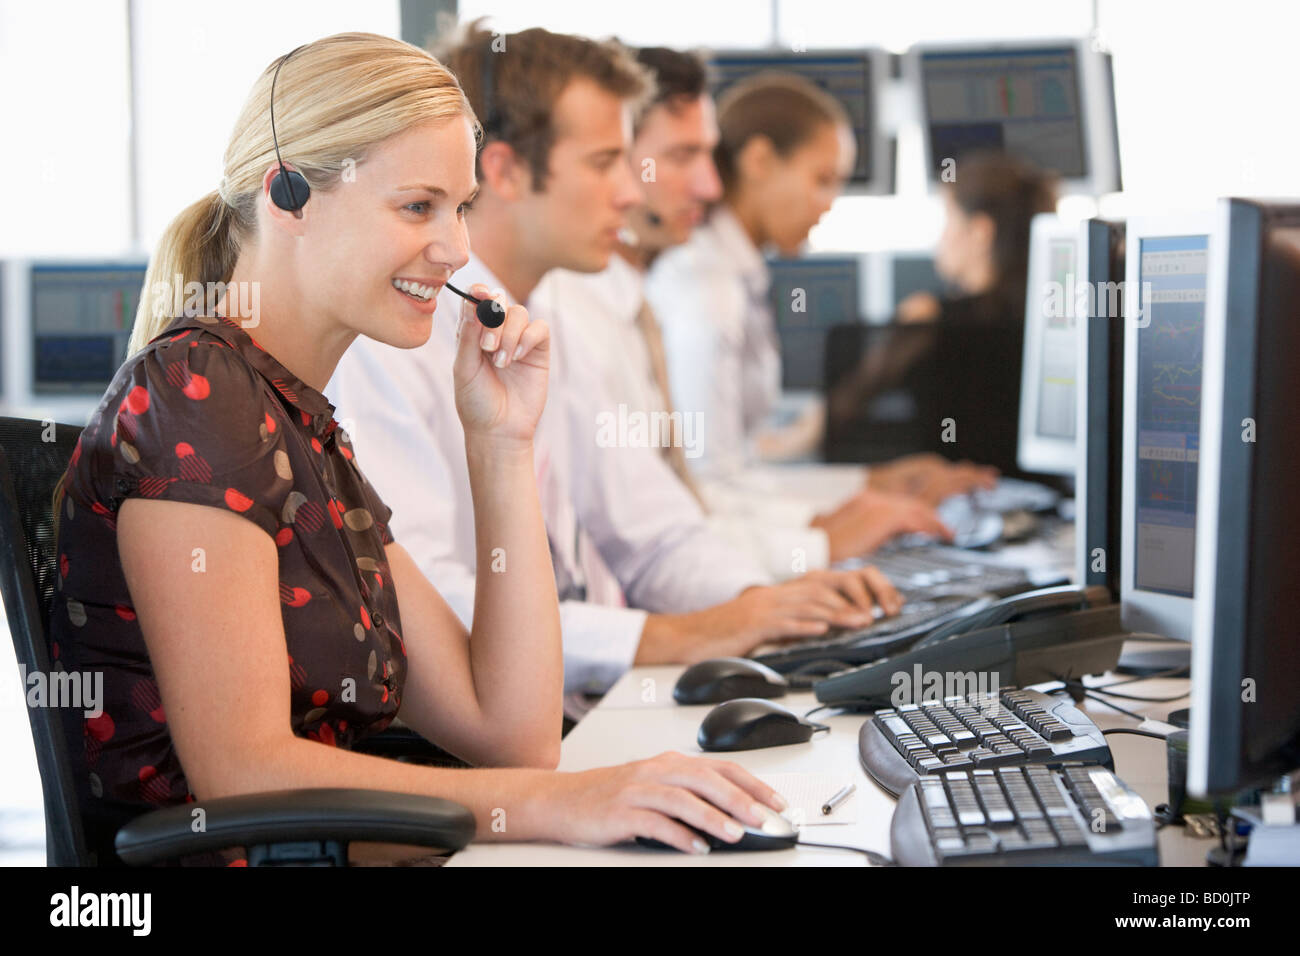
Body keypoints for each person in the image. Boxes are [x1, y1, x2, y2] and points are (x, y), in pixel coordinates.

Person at [50, 32, 789, 866]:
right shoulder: (198, 391)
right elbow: (244, 776)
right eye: (418, 207)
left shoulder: (299, 424)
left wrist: (501, 446)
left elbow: (511, 733)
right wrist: (564, 803)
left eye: (463, 207)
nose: (459, 249)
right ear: (288, 195)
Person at [328, 26, 905, 702]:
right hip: (492, 732)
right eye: (606, 162)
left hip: (578, 700)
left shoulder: (548, 316)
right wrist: (677, 637)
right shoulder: (388, 343)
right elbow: (429, 603)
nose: (633, 194)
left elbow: (652, 534)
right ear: (508, 171)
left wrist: (768, 607)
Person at [534, 47, 955, 577]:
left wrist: (854, 497)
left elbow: (689, 499)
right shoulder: (678, 294)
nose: (711, 186)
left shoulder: (647, 294)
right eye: (822, 179)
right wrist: (821, 538)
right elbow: (694, 498)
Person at [645, 72, 998, 505]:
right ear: (760, 161)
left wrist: (875, 485)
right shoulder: (706, 291)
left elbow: (739, 473)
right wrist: (862, 506)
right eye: (822, 179)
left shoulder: (735, 277)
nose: (830, 202)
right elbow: (712, 488)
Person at [827, 151, 1060, 479]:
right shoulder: (1053, 319)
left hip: (946, 499)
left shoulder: (930, 319)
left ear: (980, 232)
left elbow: (844, 408)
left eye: (948, 220)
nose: (940, 239)